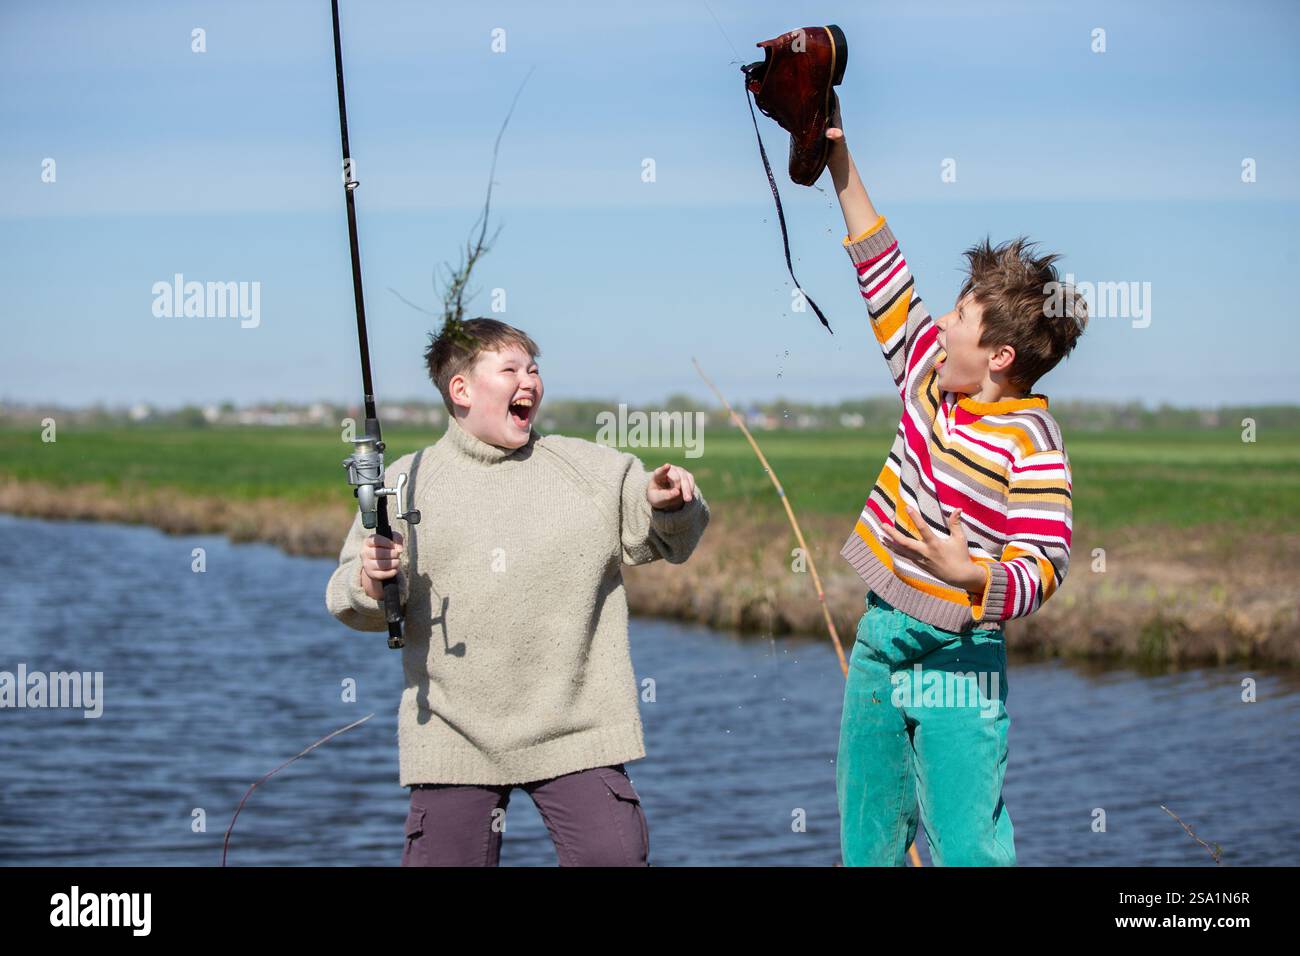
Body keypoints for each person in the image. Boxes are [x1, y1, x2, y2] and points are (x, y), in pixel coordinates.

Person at [325, 318, 710, 866]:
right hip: (453, 737)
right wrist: (371, 580)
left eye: (533, 368)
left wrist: (671, 503)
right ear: (461, 391)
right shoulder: (406, 483)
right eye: (509, 369)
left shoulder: (590, 469)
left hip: (578, 729)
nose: (528, 380)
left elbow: (670, 539)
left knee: (615, 858)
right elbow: (346, 598)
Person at [825, 108, 1086, 865]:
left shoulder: (1031, 441)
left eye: (961, 315)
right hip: (880, 636)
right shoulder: (923, 377)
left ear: (1000, 354)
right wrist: (837, 156)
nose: (938, 321)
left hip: (961, 655)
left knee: (969, 844)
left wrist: (973, 575)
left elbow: (1046, 560)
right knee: (867, 836)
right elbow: (881, 269)